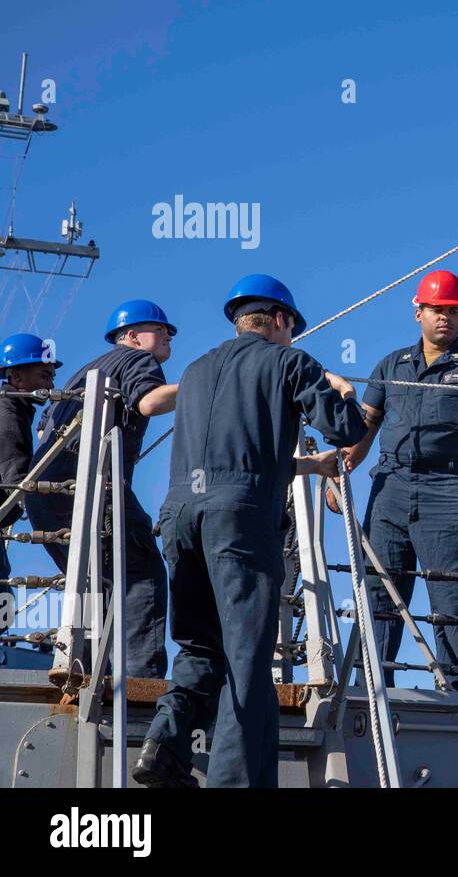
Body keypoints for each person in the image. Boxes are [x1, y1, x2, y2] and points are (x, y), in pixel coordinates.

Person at [134, 274, 364, 788]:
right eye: (292, 328)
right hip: (239, 525)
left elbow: (236, 456)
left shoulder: (195, 371)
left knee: (199, 649)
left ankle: (163, 744)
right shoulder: (289, 361)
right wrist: (342, 392)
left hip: (179, 517)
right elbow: (343, 427)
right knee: (247, 660)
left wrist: (307, 465)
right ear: (279, 321)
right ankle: (233, 782)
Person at [336, 269, 458, 691]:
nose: (445, 318)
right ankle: (370, 692)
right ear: (418, 312)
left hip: (449, 492)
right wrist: (341, 469)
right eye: (437, 310)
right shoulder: (391, 365)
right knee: (379, 597)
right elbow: (364, 429)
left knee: (455, 598)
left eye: (452, 311)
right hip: (389, 490)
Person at [26, 301, 179, 678]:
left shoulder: (84, 371)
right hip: (93, 484)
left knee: (92, 583)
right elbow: (149, 401)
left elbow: (44, 432)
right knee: (141, 575)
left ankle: (87, 667)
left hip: (44, 494)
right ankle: (140, 683)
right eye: (160, 330)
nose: (168, 336)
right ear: (130, 336)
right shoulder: (137, 360)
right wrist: (211, 382)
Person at [0, 334, 61, 636]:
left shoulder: (15, 411)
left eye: (52, 376)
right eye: (44, 375)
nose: (50, 384)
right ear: (15, 375)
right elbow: (16, 485)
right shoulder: (8, 416)